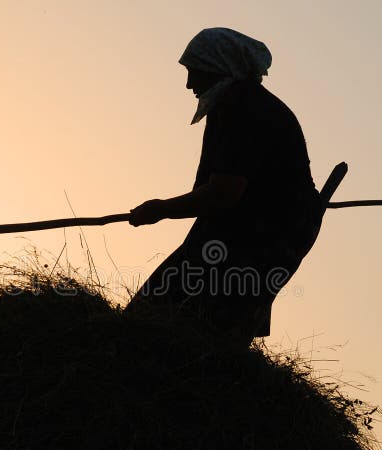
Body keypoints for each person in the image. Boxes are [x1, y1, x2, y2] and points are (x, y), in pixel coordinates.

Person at [124, 27, 323, 346]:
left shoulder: (240, 107)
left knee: (166, 313)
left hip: (262, 234)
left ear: (217, 67)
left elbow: (223, 194)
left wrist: (161, 209)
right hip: (263, 228)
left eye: (194, 72)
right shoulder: (247, 103)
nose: (189, 84)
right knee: (205, 317)